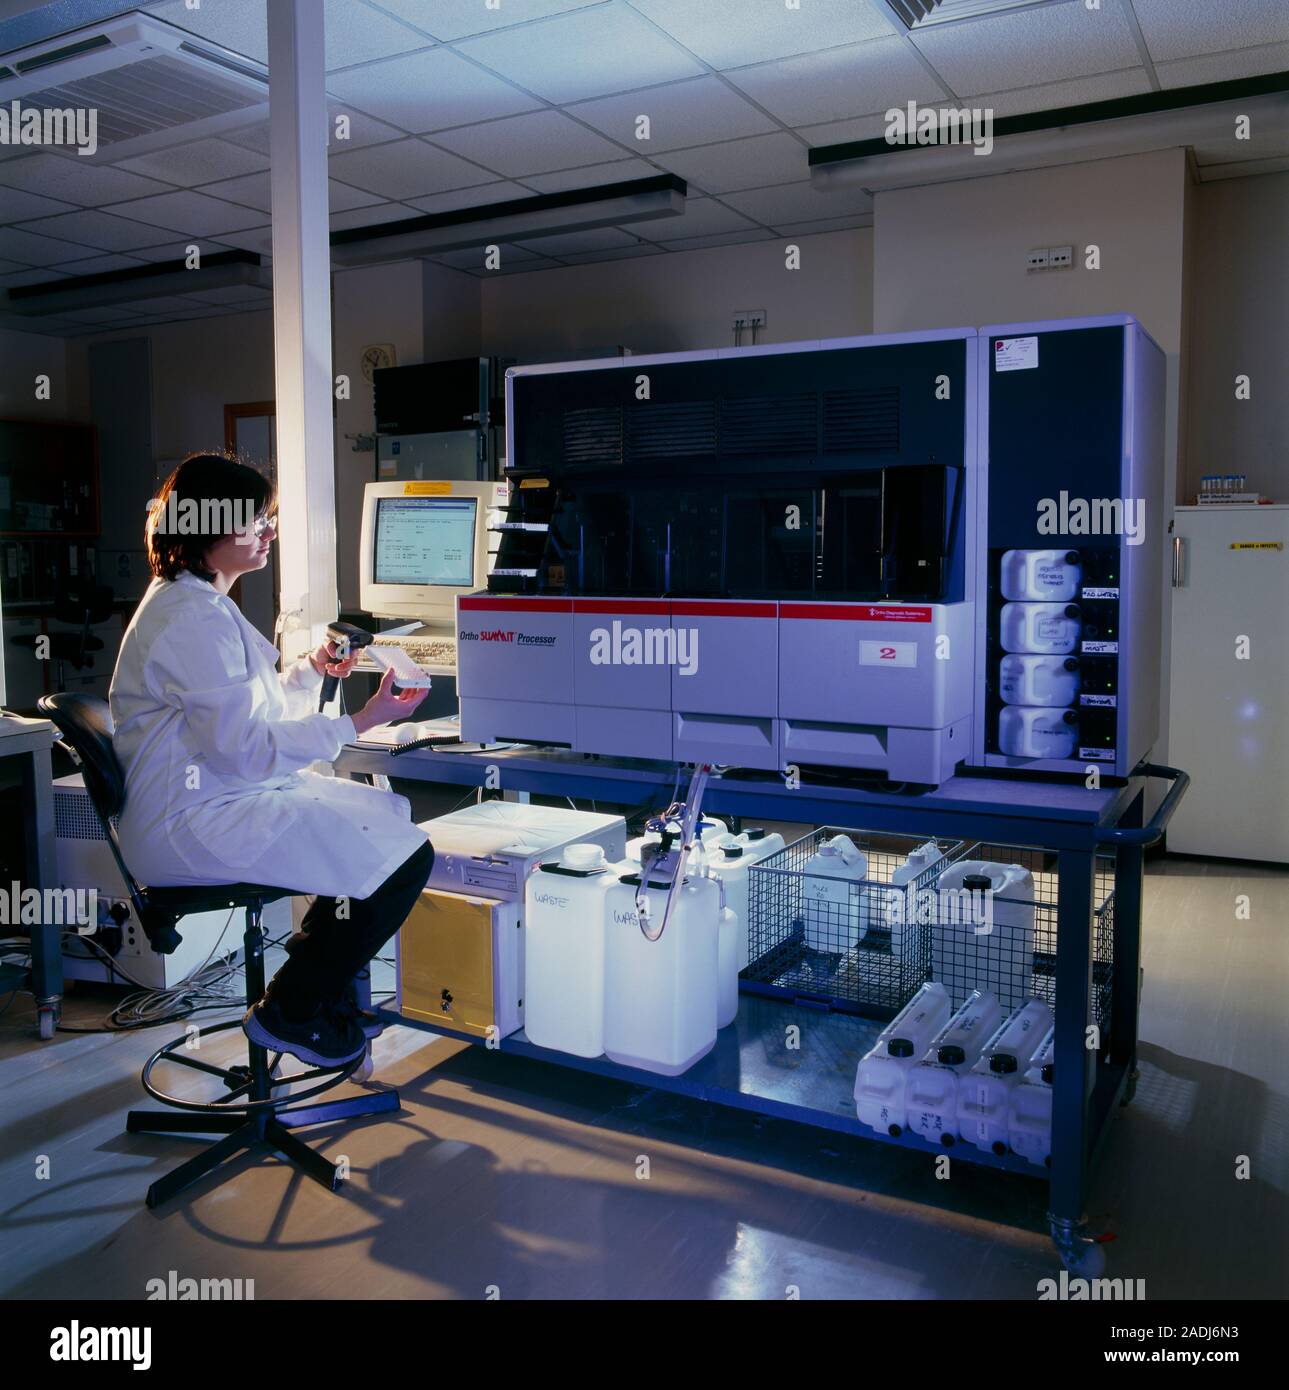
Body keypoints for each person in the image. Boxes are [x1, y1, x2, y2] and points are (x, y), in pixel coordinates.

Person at [109, 452, 432, 1069]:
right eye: (257, 518)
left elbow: (248, 714)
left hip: (219, 797)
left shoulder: (202, 603)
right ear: (207, 526)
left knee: (389, 828)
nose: (269, 529)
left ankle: (309, 996)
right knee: (399, 859)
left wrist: (311, 672)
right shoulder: (187, 619)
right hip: (193, 820)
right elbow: (247, 749)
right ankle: (293, 1009)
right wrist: (361, 721)